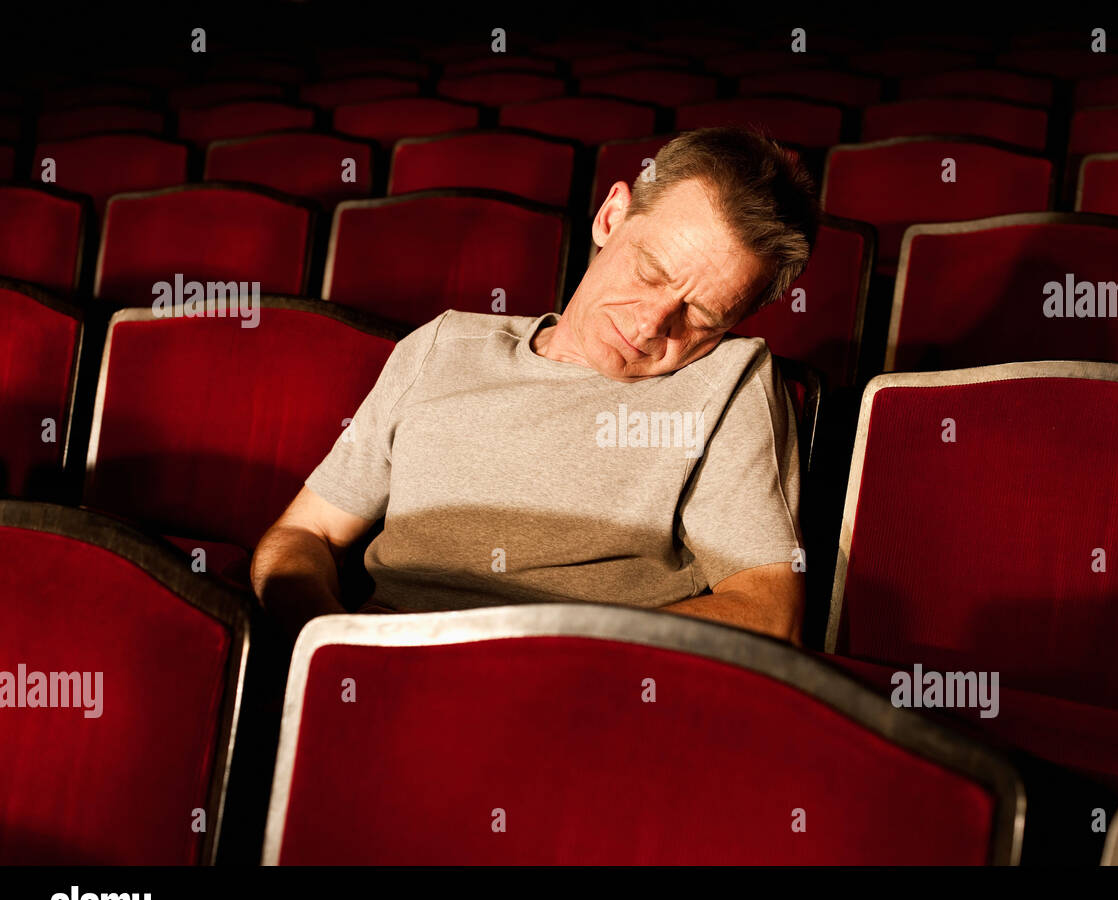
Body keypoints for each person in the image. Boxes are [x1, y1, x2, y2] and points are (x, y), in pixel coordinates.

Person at [250, 126, 820, 644]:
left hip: (569, 692)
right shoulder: (441, 345)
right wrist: (322, 641)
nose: (649, 325)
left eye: (701, 316)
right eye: (650, 271)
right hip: (374, 670)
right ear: (611, 215)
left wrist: (535, 652)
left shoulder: (729, 380)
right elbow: (307, 531)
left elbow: (769, 612)